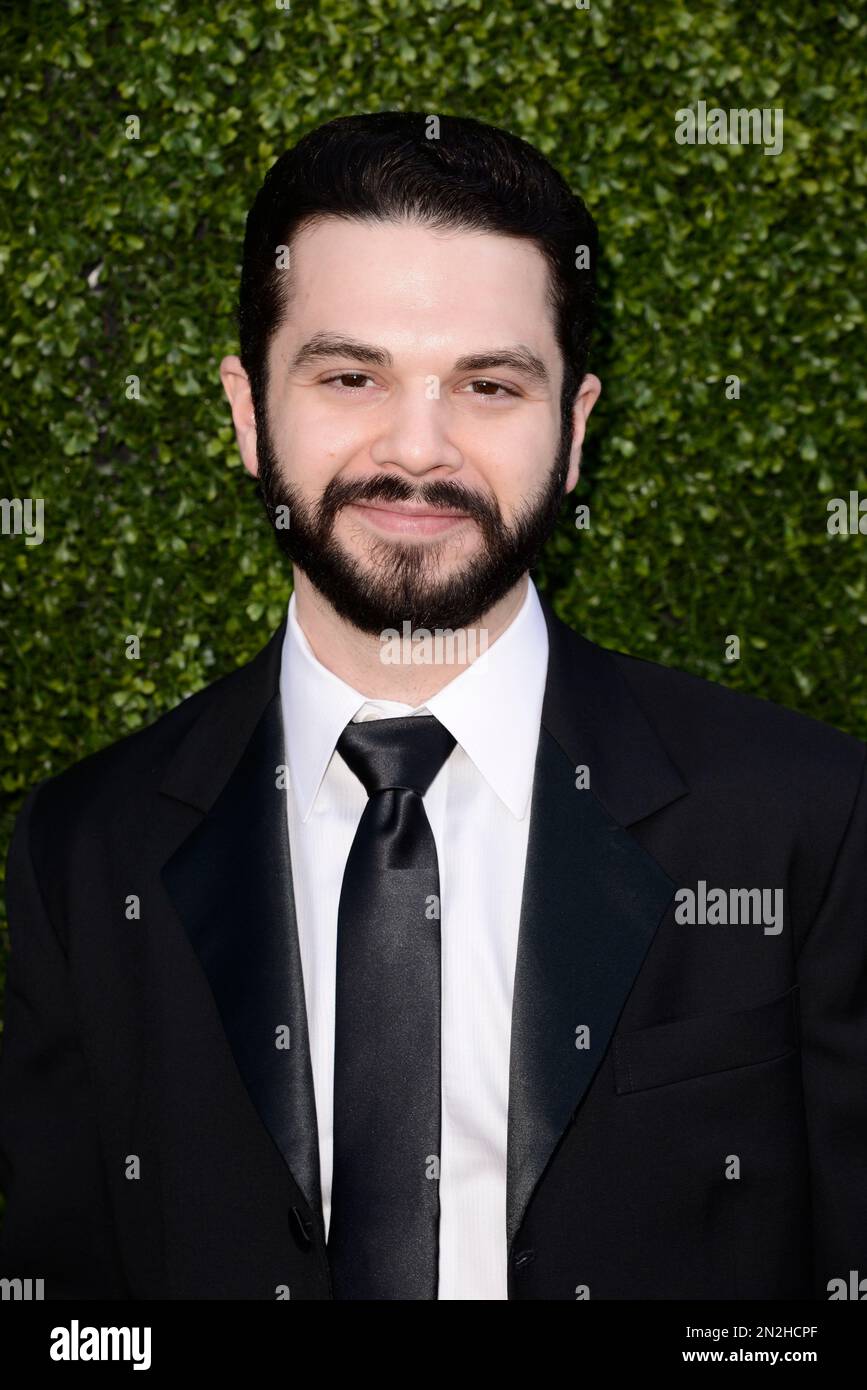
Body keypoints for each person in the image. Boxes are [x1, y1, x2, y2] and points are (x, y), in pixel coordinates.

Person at [0, 111, 864, 1301]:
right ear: (249, 414)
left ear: (575, 433)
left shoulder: (806, 820)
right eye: (351, 375)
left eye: (490, 384)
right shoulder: (82, 852)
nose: (418, 449)